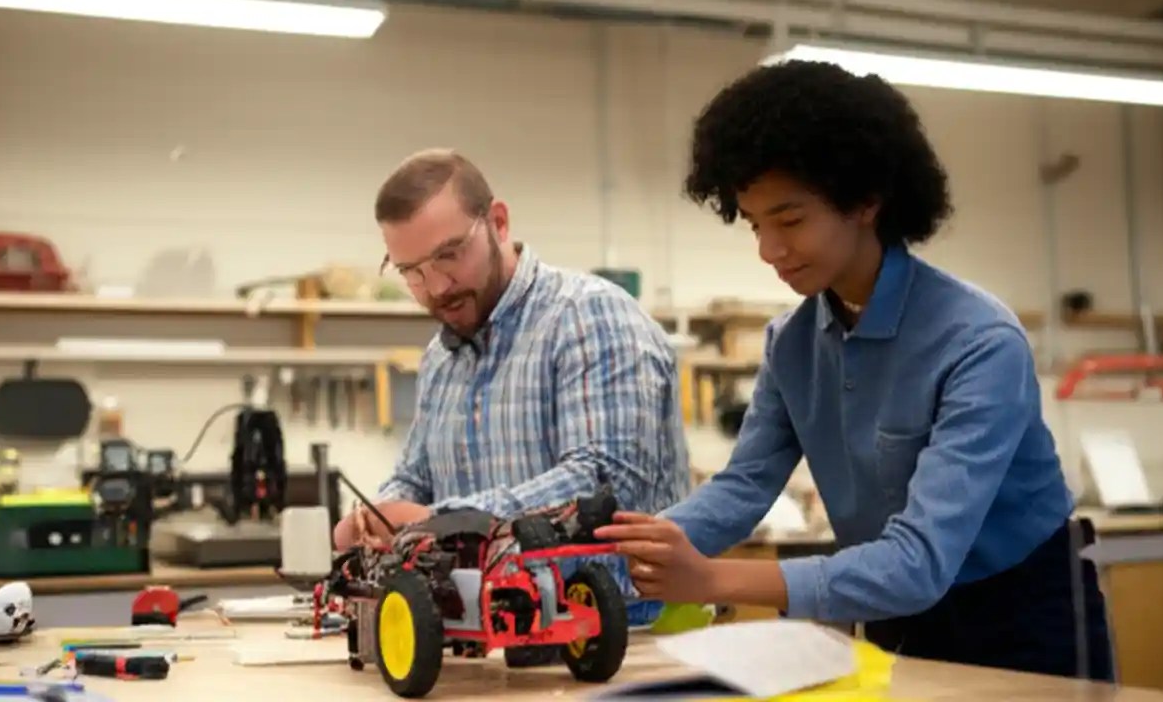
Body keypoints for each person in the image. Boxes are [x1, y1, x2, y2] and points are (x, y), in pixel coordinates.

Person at [594, 60, 1113, 681]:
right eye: (755, 224)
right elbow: (743, 488)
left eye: (790, 221)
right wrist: (617, 554)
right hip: (892, 609)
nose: (769, 251)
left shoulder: (980, 341)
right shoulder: (792, 344)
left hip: (1022, 614)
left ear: (866, 199)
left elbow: (919, 561)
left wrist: (709, 576)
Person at [333, 148, 692, 644]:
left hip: (620, 636)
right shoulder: (442, 357)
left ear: (498, 223)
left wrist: (442, 523)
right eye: (410, 270)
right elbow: (417, 476)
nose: (434, 286)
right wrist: (375, 517)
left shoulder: (589, 318)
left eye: (449, 254)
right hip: (496, 636)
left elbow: (605, 486)